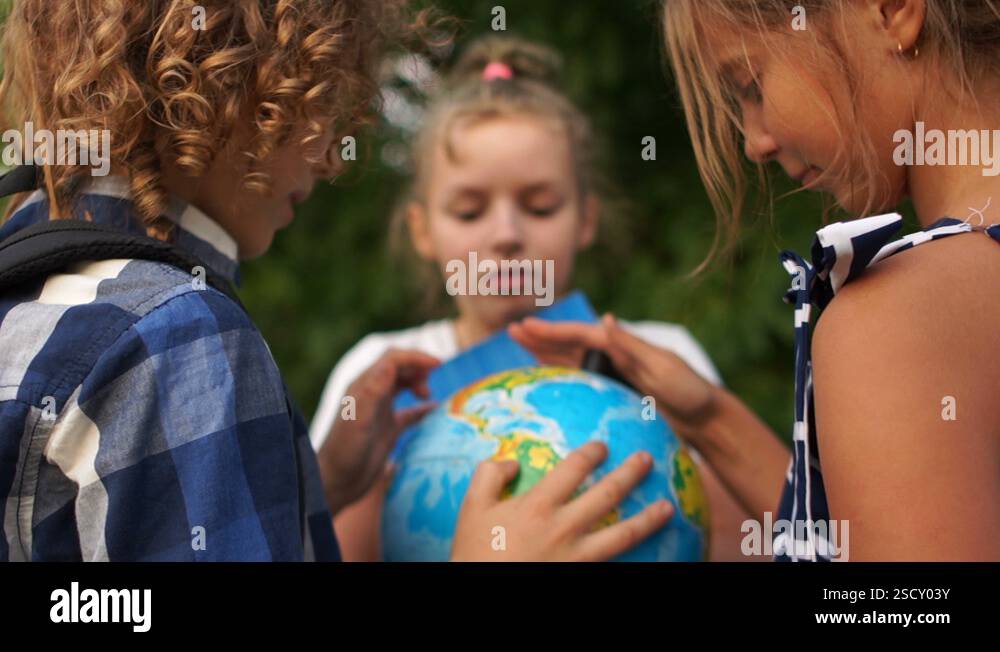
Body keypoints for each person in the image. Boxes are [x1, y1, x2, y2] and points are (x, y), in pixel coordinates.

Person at [0, 0, 671, 562]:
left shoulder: (29, 298)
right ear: (240, 87)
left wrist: (322, 483)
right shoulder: (179, 336)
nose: (329, 160)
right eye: (323, 99)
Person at [511, 0, 1000, 561]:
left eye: (750, 86)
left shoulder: (897, 321)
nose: (754, 142)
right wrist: (710, 421)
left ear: (890, 11)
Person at [311, 36, 753, 562]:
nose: (506, 235)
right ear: (421, 229)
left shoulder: (659, 357)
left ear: (585, 219)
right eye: (470, 211)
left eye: (540, 206)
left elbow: (745, 544)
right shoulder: (376, 374)